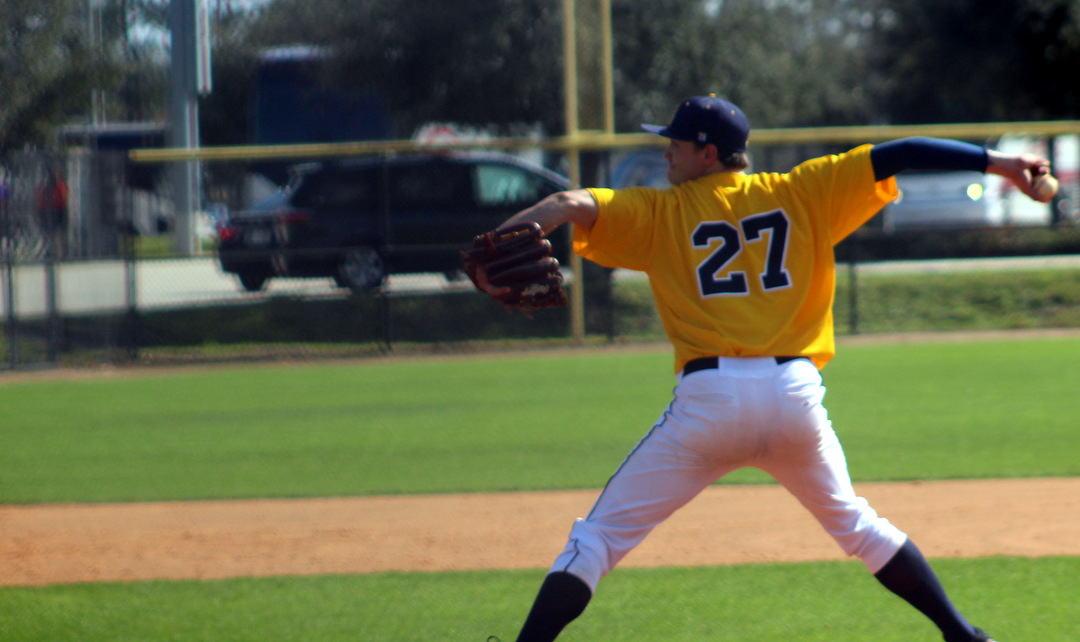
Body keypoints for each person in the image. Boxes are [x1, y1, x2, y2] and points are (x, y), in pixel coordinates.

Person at [476, 95, 1053, 642]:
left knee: (598, 540)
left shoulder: (660, 211)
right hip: (793, 397)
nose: (666, 151)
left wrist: (497, 246)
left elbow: (567, 204)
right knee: (860, 527)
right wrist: (1003, 164)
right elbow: (903, 152)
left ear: (708, 153)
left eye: (677, 143)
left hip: (709, 402)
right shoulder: (803, 190)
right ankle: (966, 636)